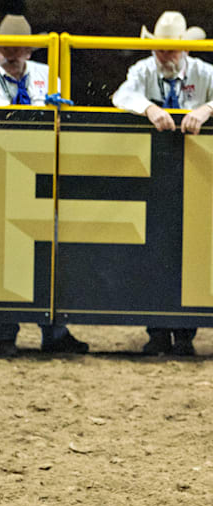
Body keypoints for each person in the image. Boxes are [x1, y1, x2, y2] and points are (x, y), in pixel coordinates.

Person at [0, 14, 89, 358]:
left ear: (29, 49)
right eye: (5, 47)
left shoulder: (50, 76)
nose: (11, 53)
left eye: (18, 48)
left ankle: (54, 332)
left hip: (42, 180)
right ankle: (4, 333)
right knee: (0, 256)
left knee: (49, 255)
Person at [112, 10, 212, 356]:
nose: (162, 55)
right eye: (158, 49)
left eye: (169, 50)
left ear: (184, 50)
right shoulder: (142, 70)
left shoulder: (204, 73)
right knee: (153, 248)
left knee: (194, 250)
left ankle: (184, 335)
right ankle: (156, 332)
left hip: (197, 177)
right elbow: (122, 95)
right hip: (152, 175)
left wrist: (207, 109)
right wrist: (148, 109)